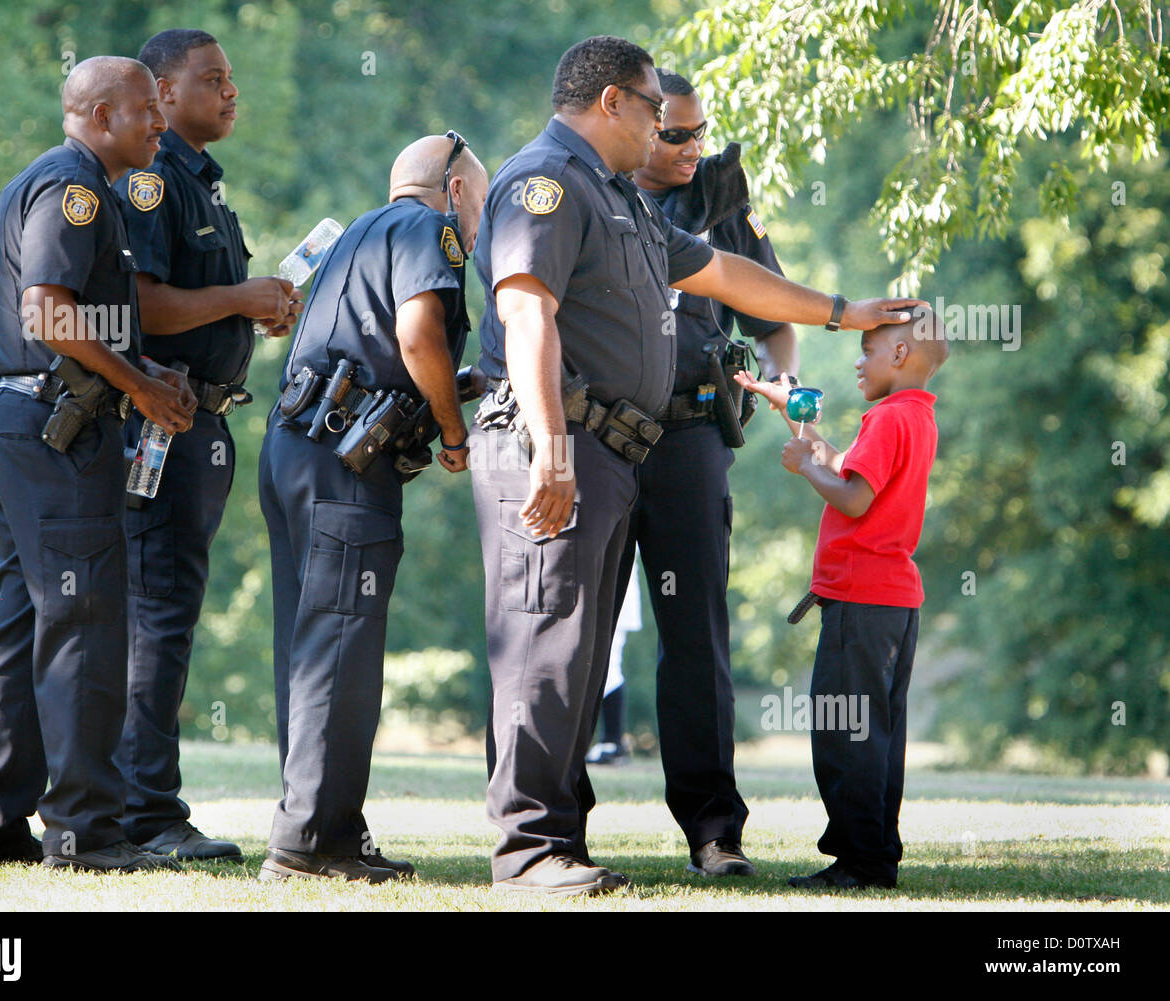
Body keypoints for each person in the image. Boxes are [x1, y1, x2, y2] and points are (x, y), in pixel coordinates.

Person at [470, 34, 923, 897]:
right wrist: (554, 450)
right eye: (654, 112)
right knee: (548, 642)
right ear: (611, 102)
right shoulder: (546, 183)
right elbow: (527, 317)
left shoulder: (623, 202)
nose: (670, 133)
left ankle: (567, 842)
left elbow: (729, 276)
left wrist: (840, 311)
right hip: (557, 441)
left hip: (626, 445)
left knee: (573, 645)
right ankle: (531, 850)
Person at [0, 56, 198, 873]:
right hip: (59, 435)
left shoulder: (77, 183)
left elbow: (79, 315)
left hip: (29, 422)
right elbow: (47, 311)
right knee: (87, 619)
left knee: (24, 615)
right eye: (144, 112)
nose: (159, 123)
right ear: (97, 115)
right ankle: (85, 830)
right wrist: (138, 386)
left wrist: (140, 369)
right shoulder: (77, 189)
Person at [591, 68, 806, 877]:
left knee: (697, 644)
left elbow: (775, 314)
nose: (690, 148)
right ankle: (554, 831)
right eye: (673, 133)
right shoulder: (589, 194)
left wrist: (783, 379)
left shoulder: (723, 209)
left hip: (690, 440)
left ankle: (715, 832)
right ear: (638, 127)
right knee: (576, 639)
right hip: (599, 442)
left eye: (697, 133)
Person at [257, 133, 488, 883]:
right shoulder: (431, 230)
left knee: (314, 643)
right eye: (480, 203)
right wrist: (453, 432)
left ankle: (332, 831)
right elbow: (418, 336)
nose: (480, 223)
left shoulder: (355, 231)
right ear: (453, 190)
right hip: (346, 462)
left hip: (297, 448)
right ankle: (300, 843)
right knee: (342, 646)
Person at [110, 29, 300, 865]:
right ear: (162, 89)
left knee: (171, 612)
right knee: (157, 613)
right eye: (212, 80)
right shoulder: (155, 181)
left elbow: (203, 300)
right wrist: (238, 293)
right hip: (163, 420)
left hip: (206, 421)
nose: (231, 93)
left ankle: (136, 797)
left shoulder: (205, 186)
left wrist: (257, 305)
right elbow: (144, 306)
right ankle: (143, 811)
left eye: (233, 80)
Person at [736, 305, 949, 889]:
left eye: (869, 351)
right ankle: (874, 855)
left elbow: (851, 498)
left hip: (862, 599)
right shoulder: (915, 416)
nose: (858, 362)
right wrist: (796, 419)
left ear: (900, 355)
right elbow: (848, 468)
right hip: (893, 604)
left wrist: (805, 469)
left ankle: (860, 862)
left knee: (844, 733)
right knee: (876, 733)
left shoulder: (885, 420)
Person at [586, 559, 640, 765]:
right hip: (609, 591)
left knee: (610, 669)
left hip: (614, 592)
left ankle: (612, 741)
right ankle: (609, 740)